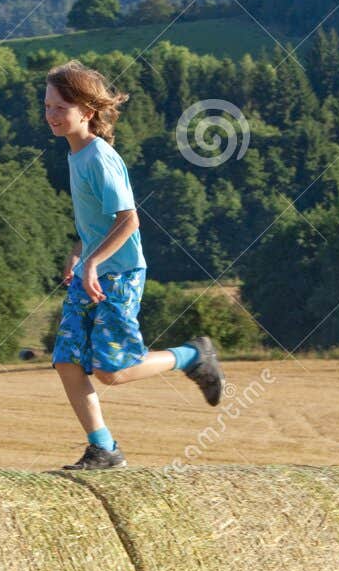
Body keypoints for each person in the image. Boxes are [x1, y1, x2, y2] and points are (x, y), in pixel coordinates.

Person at [44, 59, 224, 470]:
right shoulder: (76, 155)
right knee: (67, 361)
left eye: (60, 108)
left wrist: (93, 265)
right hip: (94, 271)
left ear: (87, 112)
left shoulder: (98, 158)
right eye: (48, 106)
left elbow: (129, 221)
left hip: (119, 275)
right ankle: (104, 448)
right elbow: (97, 222)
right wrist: (79, 253)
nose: (51, 116)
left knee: (112, 371)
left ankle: (192, 356)